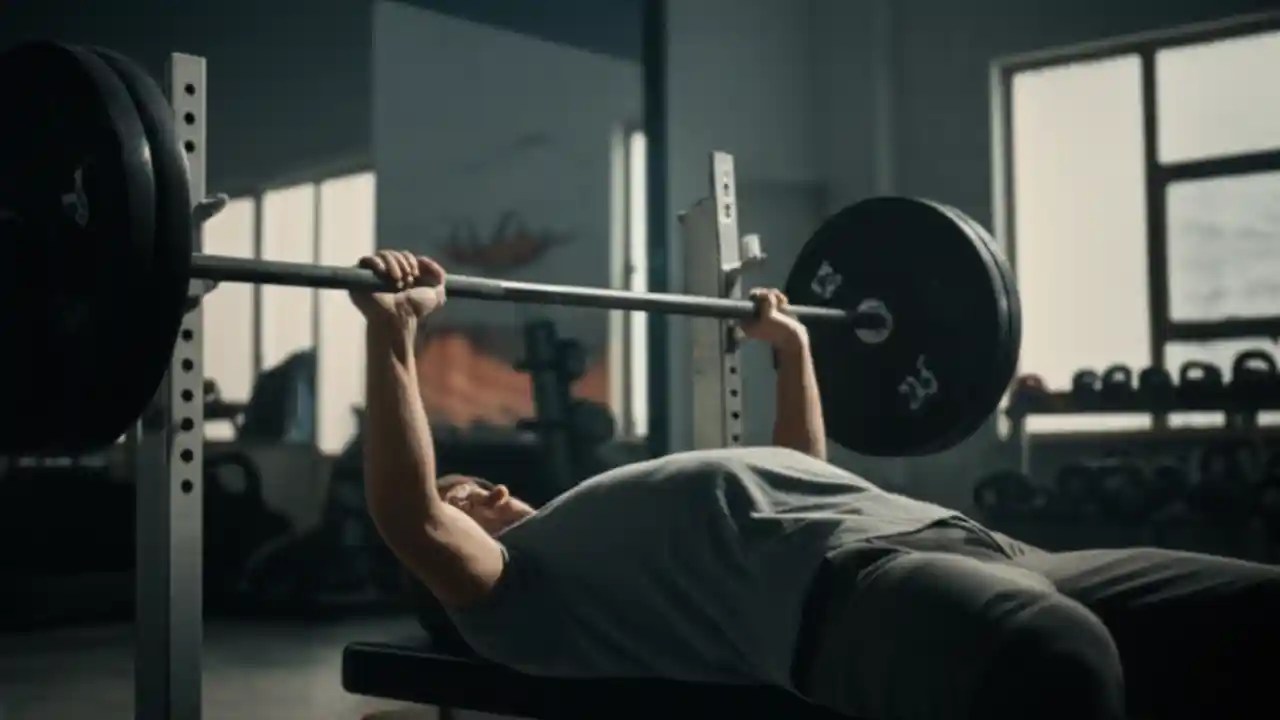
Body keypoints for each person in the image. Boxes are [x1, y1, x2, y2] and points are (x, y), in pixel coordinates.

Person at [350, 249, 1278, 720]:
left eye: (471, 484)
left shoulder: (605, 515)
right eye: (466, 492)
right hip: (867, 596)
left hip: (993, 548)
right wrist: (395, 331)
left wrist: (792, 353)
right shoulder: (517, 599)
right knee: (1054, 662)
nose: (484, 492)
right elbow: (408, 512)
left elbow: (805, 470)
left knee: (1250, 612)